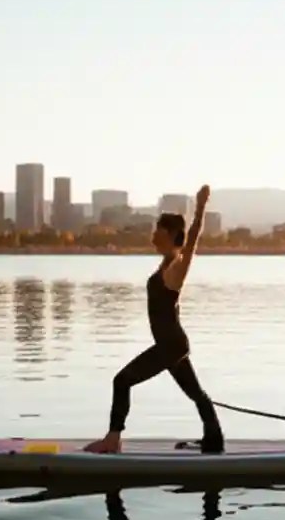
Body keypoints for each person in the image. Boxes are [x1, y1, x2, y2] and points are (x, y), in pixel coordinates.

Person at [83, 184, 225, 454]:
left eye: (157, 230)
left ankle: (113, 439)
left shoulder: (176, 267)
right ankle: (214, 439)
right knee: (196, 394)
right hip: (173, 345)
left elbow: (193, 237)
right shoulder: (164, 265)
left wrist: (201, 206)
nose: (152, 235)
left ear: (171, 234)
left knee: (122, 381)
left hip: (170, 345)